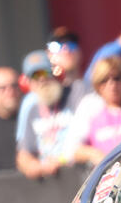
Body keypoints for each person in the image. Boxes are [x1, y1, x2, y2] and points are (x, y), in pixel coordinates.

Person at [16, 27, 91, 144]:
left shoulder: (87, 87)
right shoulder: (31, 102)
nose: (66, 49)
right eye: (56, 46)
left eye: (71, 45)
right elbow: (24, 151)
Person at [15, 50, 79, 180]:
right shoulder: (31, 108)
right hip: (53, 181)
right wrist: (37, 166)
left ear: (55, 73)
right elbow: (23, 155)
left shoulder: (75, 94)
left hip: (80, 173)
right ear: (27, 82)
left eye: (45, 72)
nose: (42, 79)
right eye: (35, 75)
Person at [69, 56, 121, 166]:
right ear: (97, 86)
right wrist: (95, 154)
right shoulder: (92, 112)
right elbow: (73, 150)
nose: (112, 85)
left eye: (117, 78)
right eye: (104, 80)